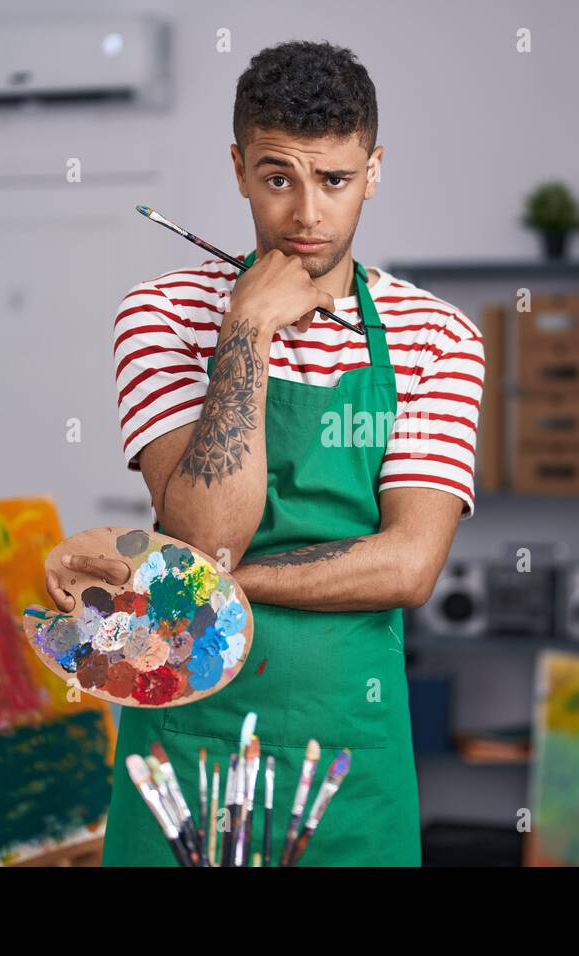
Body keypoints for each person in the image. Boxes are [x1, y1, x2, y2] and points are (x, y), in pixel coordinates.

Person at [50, 40, 485, 866]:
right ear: (240, 168)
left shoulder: (439, 337)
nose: (308, 216)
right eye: (280, 177)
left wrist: (211, 585)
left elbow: (408, 567)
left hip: (349, 743)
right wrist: (245, 328)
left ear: (375, 169)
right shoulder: (161, 315)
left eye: (336, 180)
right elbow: (211, 533)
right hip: (186, 733)